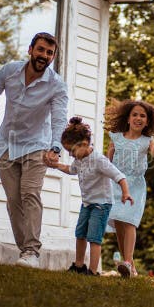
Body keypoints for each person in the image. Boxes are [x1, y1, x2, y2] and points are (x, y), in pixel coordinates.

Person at [0, 32, 68, 269]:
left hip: (37, 146)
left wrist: (55, 148)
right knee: (13, 200)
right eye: (40, 50)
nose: (44, 56)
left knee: (30, 194)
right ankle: (24, 251)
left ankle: (31, 251)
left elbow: (59, 119)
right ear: (30, 50)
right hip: (6, 144)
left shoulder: (56, 85)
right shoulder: (10, 71)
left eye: (49, 53)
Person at [47, 117, 133, 275]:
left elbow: (119, 175)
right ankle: (79, 266)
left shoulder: (99, 160)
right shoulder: (79, 160)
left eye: (72, 151)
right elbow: (71, 170)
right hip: (87, 203)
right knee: (80, 234)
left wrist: (125, 192)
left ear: (84, 144)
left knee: (94, 237)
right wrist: (57, 165)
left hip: (101, 205)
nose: (72, 155)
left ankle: (93, 271)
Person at [104, 99, 154, 277]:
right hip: (116, 185)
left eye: (142, 116)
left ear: (147, 121)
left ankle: (127, 263)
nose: (138, 118)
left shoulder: (147, 141)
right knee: (119, 223)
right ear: (128, 119)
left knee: (129, 221)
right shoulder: (116, 137)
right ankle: (130, 266)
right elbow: (107, 163)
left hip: (135, 186)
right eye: (135, 114)